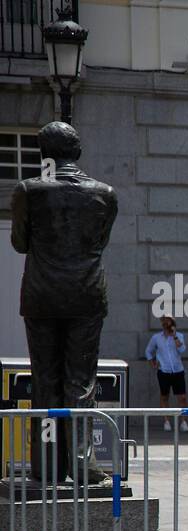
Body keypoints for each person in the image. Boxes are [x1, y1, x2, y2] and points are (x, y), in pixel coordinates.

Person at [10, 121, 118, 484]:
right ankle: (82, 464)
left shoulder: (29, 191)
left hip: (41, 294)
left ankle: (47, 464)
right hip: (86, 293)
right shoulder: (104, 193)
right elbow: (100, 242)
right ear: (79, 153)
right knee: (81, 381)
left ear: (44, 155)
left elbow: (20, 243)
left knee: (46, 379)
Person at [146, 313, 188, 431]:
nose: (166, 323)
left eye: (169, 321)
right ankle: (166, 421)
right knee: (164, 396)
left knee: (183, 397)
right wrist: (153, 363)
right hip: (163, 371)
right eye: (164, 321)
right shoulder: (156, 338)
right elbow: (148, 351)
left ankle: (184, 422)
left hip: (178, 370)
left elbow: (182, 349)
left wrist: (174, 336)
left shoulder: (179, 336)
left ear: (173, 323)